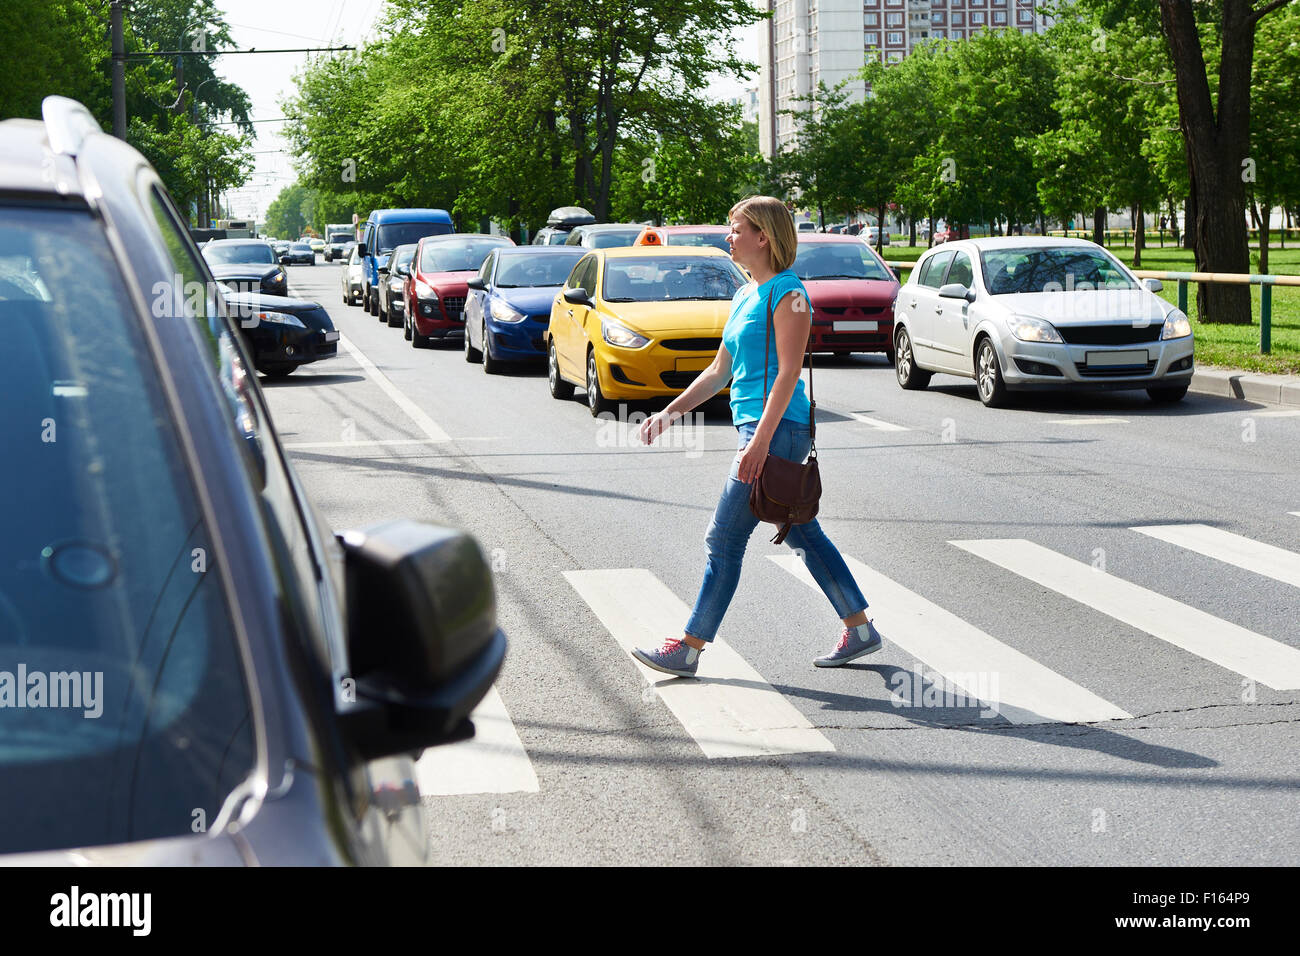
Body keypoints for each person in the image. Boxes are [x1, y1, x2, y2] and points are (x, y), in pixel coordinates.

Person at [632, 196, 882, 678]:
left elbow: (788, 375)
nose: (728, 236)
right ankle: (860, 626)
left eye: (736, 229)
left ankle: (688, 648)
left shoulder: (789, 295)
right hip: (758, 429)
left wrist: (760, 443)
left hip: (777, 430)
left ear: (763, 237)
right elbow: (719, 370)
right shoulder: (747, 293)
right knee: (803, 532)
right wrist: (669, 412)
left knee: (722, 541)